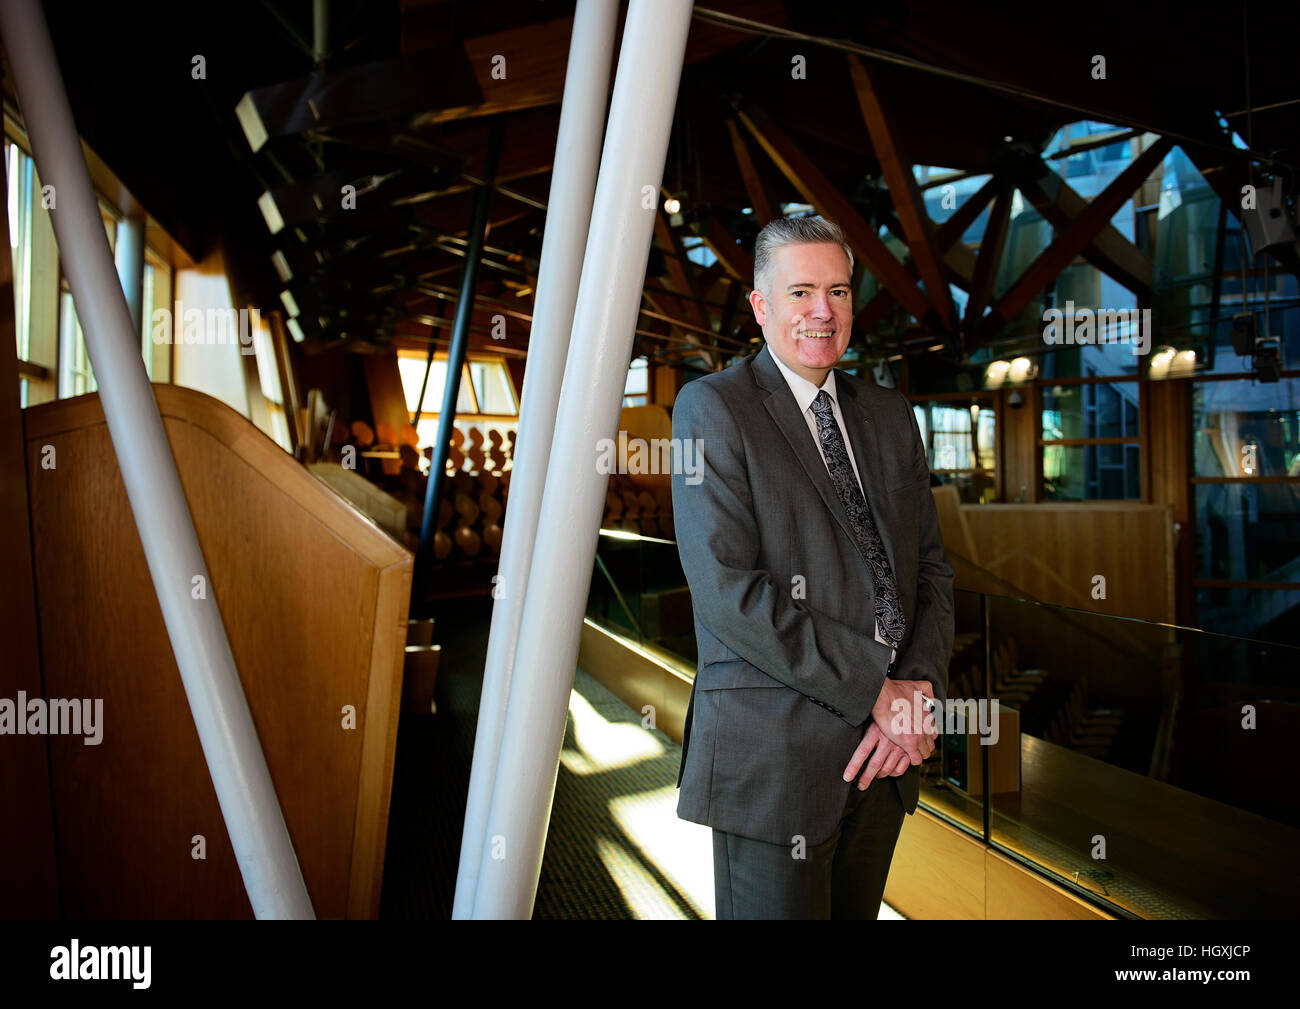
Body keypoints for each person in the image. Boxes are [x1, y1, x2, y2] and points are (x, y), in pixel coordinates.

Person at [670, 215, 954, 919]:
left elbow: (931, 571)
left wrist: (915, 690)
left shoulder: (888, 415)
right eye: (800, 292)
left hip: (882, 759)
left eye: (838, 290)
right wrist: (876, 693)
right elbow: (729, 594)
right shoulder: (713, 409)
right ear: (761, 307)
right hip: (776, 763)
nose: (822, 311)